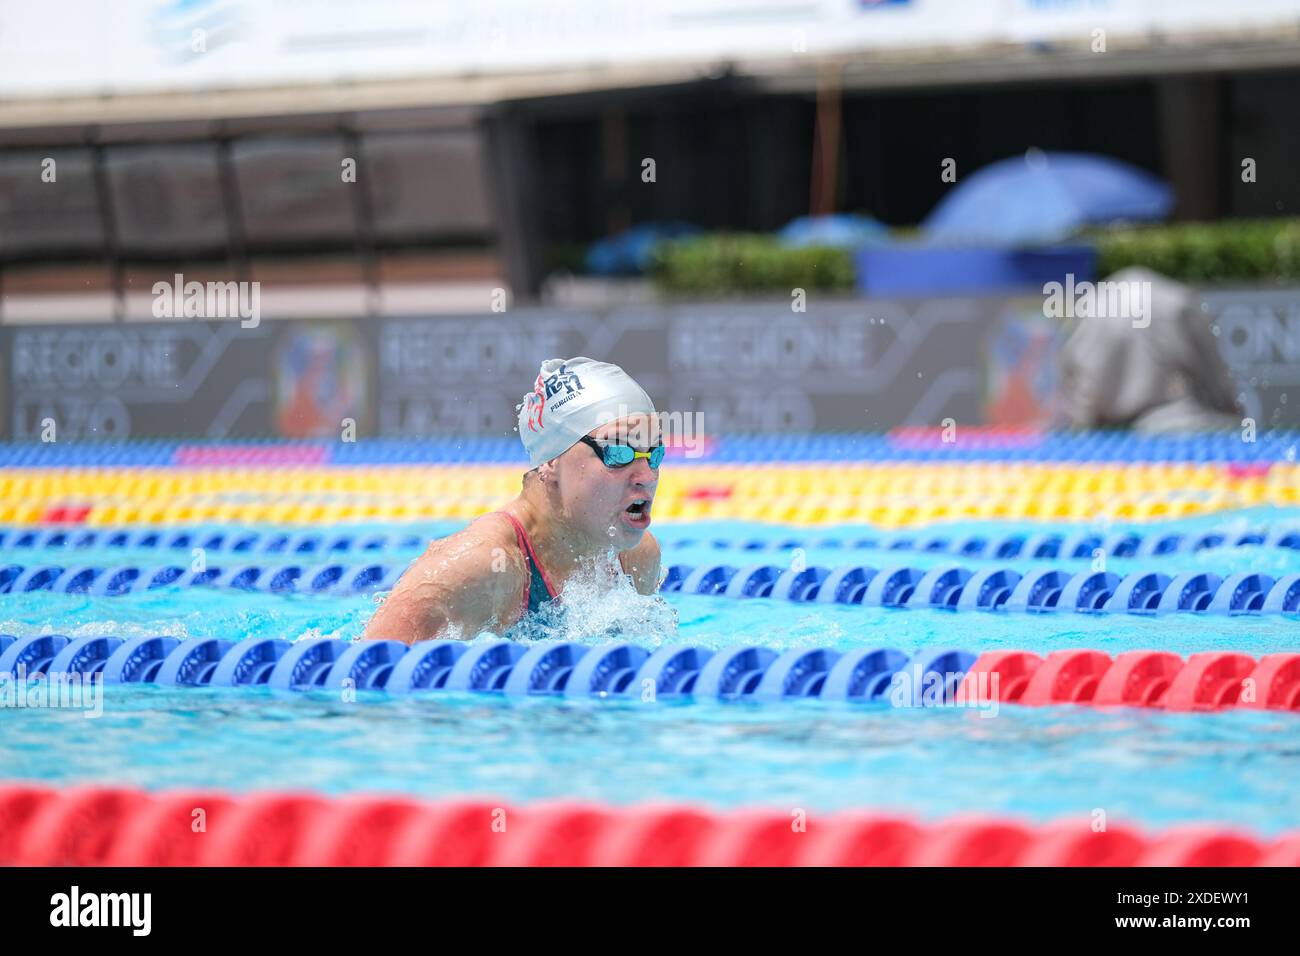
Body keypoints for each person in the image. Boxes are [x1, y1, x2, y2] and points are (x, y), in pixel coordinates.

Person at [361, 357, 664, 644]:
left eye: (654, 453)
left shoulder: (634, 558)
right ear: (551, 460)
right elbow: (369, 674)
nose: (647, 476)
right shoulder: (479, 567)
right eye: (618, 452)